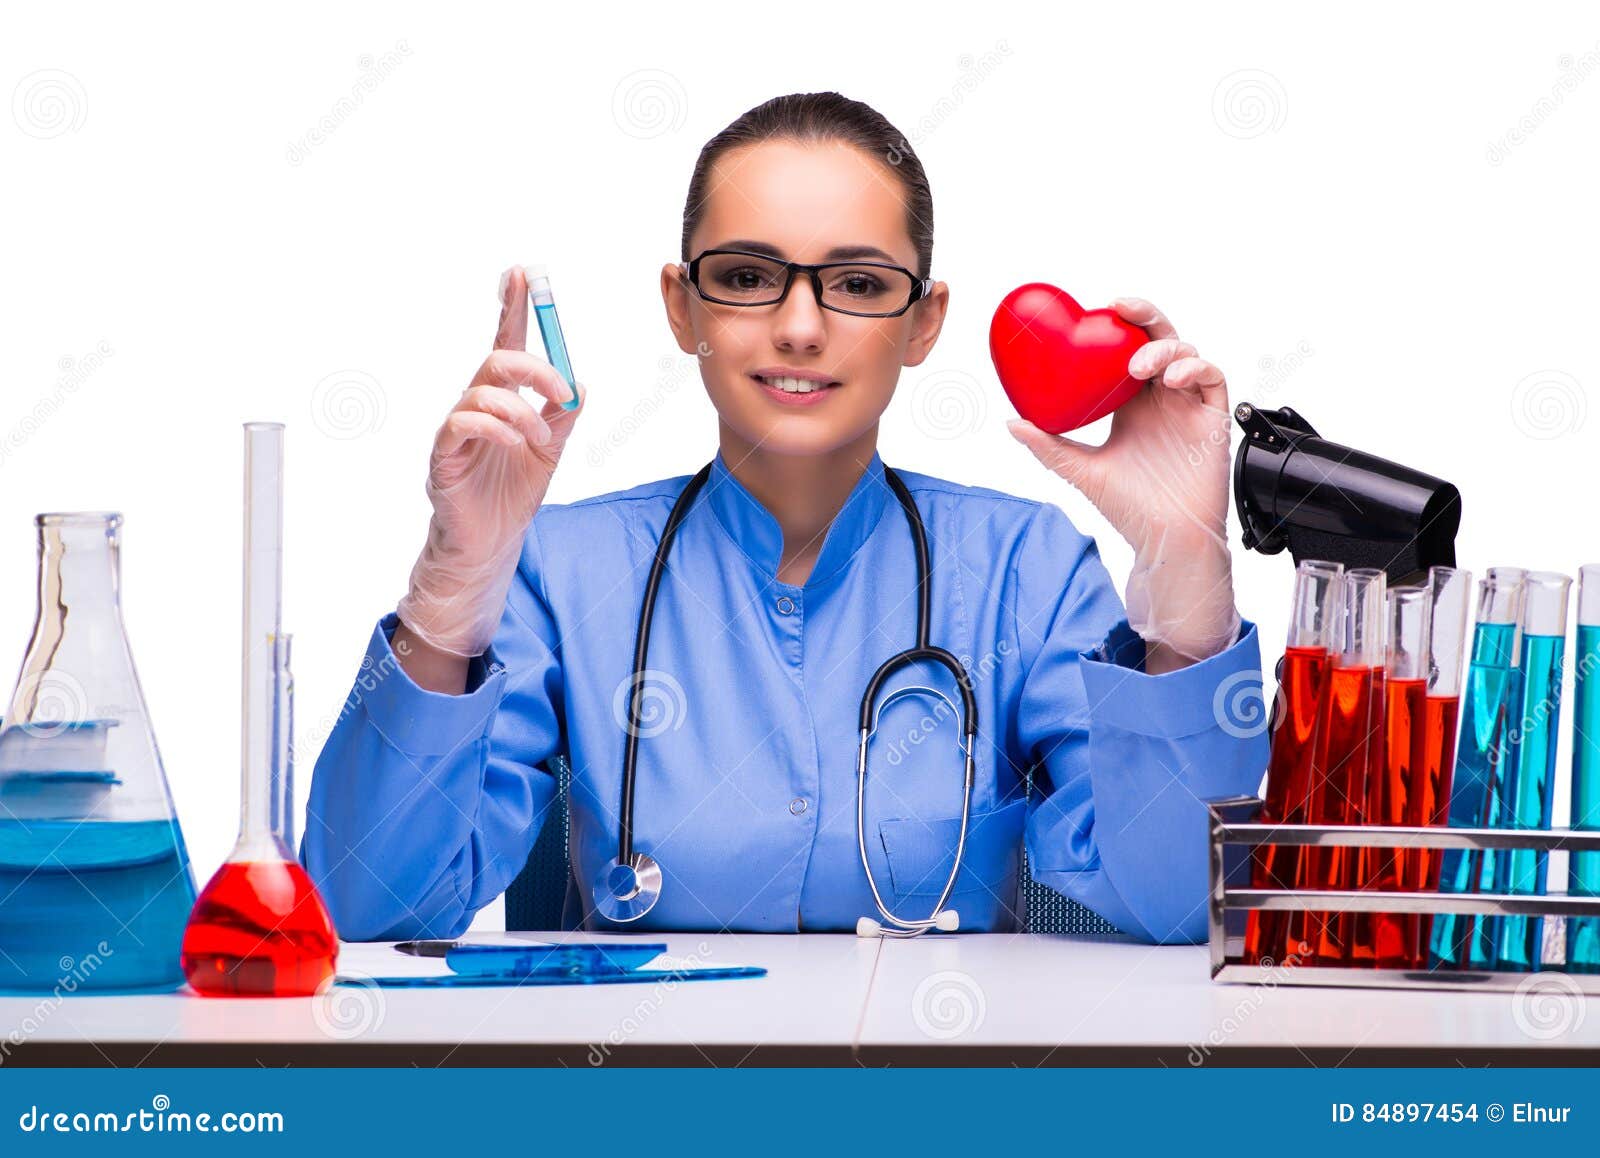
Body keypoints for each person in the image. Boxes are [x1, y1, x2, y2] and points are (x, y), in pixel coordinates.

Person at [301, 91, 1267, 943]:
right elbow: (371, 907)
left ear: (923, 322)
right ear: (683, 309)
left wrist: (1185, 563)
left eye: (855, 284)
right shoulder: (563, 570)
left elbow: (1179, 903)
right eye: (748, 275)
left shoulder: (1025, 565)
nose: (800, 326)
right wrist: (455, 578)